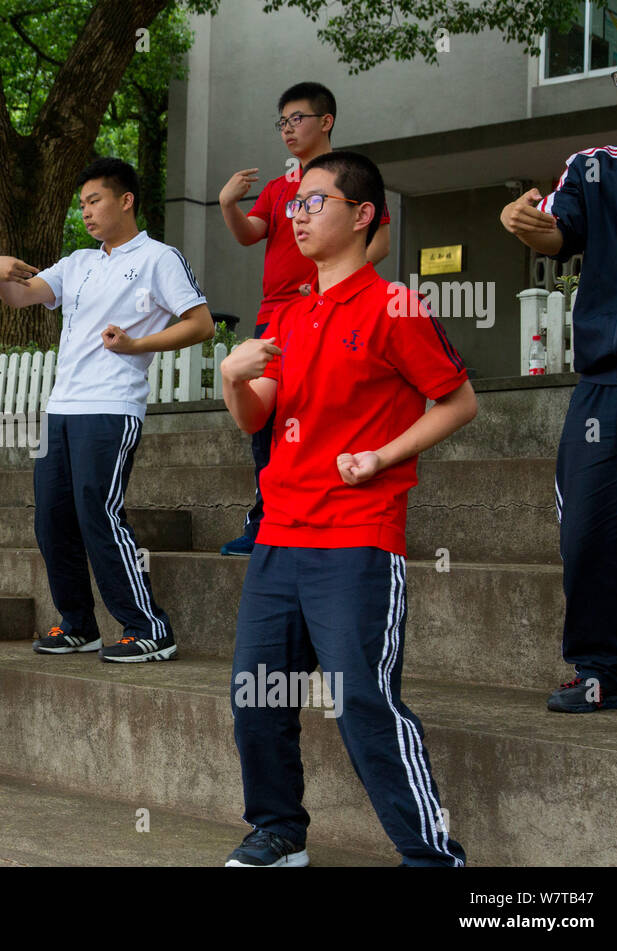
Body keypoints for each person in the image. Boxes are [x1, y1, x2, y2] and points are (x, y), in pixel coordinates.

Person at [220, 151, 474, 866]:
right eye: (294, 204)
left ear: (363, 215)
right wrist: (232, 377)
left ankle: (431, 856)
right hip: (279, 535)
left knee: (361, 698)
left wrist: (384, 456)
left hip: (356, 537)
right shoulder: (291, 315)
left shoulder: (395, 306)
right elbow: (255, 416)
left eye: (314, 202)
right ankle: (279, 831)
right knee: (256, 694)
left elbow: (458, 401)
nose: (296, 215)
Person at [0, 157, 214, 662]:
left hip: (111, 406)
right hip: (60, 408)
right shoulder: (77, 263)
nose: (86, 211)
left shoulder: (159, 258)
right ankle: (78, 625)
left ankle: (149, 627)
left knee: (99, 513)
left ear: (126, 200)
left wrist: (137, 345)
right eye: (82, 203)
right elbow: (20, 296)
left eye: (95, 200)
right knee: (51, 520)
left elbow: (201, 323)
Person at [500, 27, 617, 713]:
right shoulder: (592, 169)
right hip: (606, 388)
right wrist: (523, 222)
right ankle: (599, 673)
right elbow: (555, 231)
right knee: (586, 536)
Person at [218, 81, 390, 557]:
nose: (287, 129)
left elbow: (379, 241)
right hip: (275, 318)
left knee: (325, 413)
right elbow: (250, 234)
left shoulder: (349, 179)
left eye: (297, 119)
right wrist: (228, 203)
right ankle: (266, 520)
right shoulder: (278, 188)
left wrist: (332, 283)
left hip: (332, 313)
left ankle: (327, 513)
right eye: (282, 122)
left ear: (326, 121)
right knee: (267, 421)